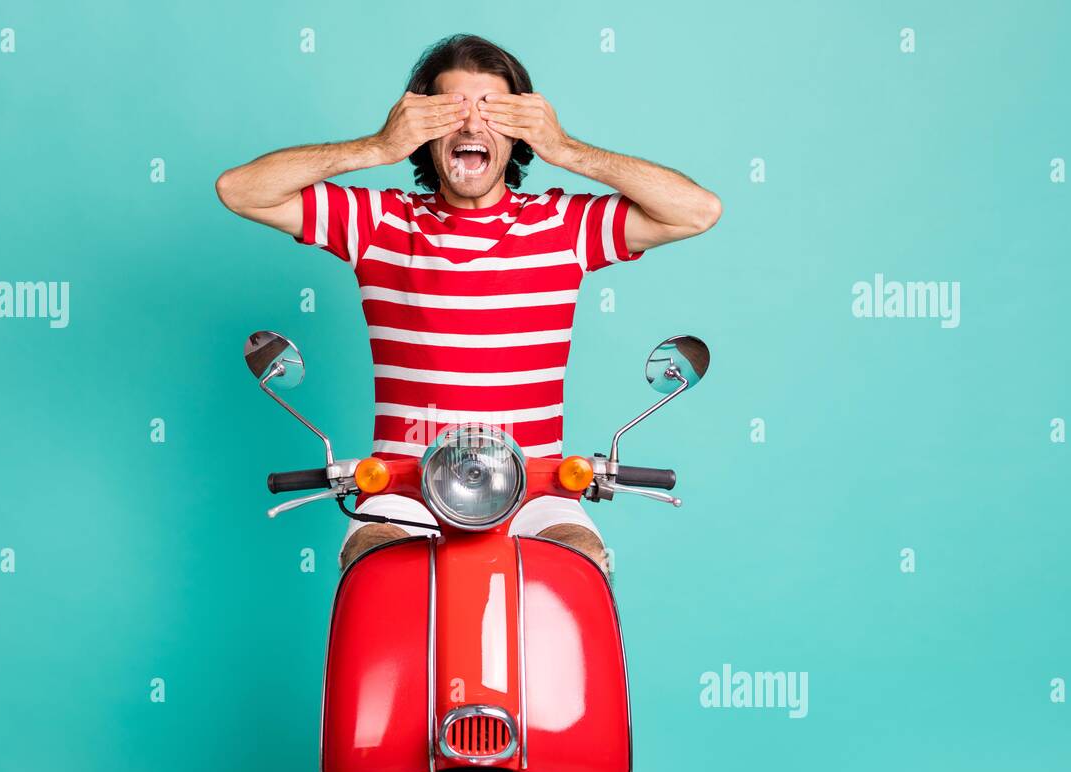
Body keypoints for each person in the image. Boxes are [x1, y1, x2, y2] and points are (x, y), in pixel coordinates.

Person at [216, 34, 720, 571]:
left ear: (522, 130)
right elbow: (240, 189)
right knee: (374, 574)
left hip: (537, 492)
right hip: (403, 488)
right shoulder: (378, 222)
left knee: (580, 569)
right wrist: (377, 147)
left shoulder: (565, 225)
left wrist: (567, 149)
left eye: (495, 112)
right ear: (421, 130)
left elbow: (696, 210)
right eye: (449, 112)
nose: (472, 127)